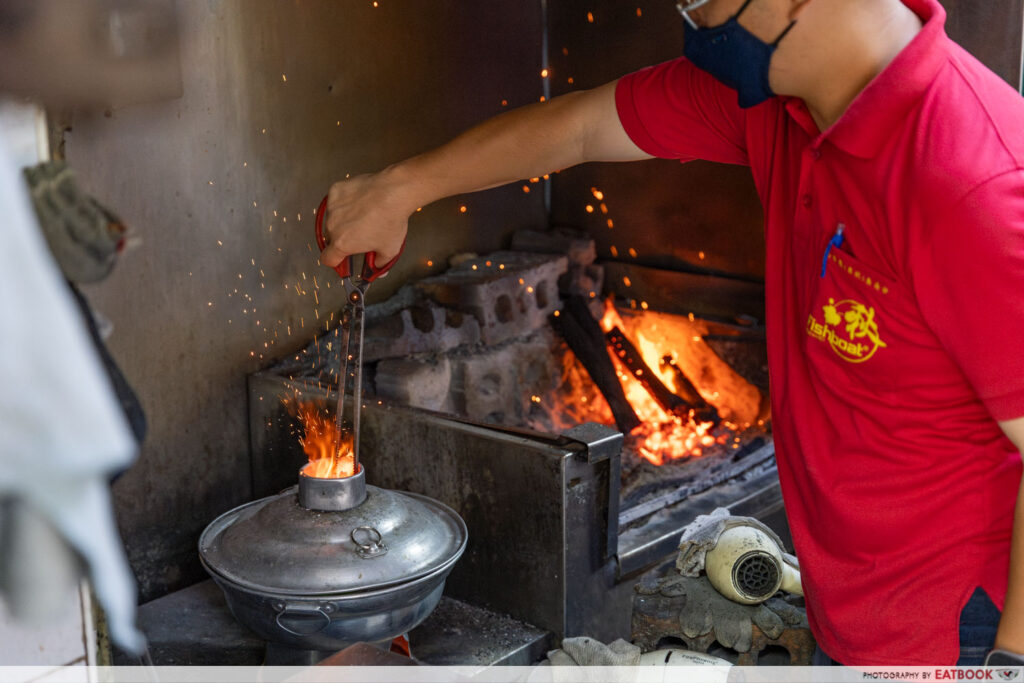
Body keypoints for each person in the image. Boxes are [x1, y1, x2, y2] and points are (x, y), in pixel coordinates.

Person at [320, 0, 1024, 667]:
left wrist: (1007, 664)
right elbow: (582, 127)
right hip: (849, 603)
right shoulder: (784, 101)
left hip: (952, 639)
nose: (692, 20)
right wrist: (400, 188)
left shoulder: (973, 184)